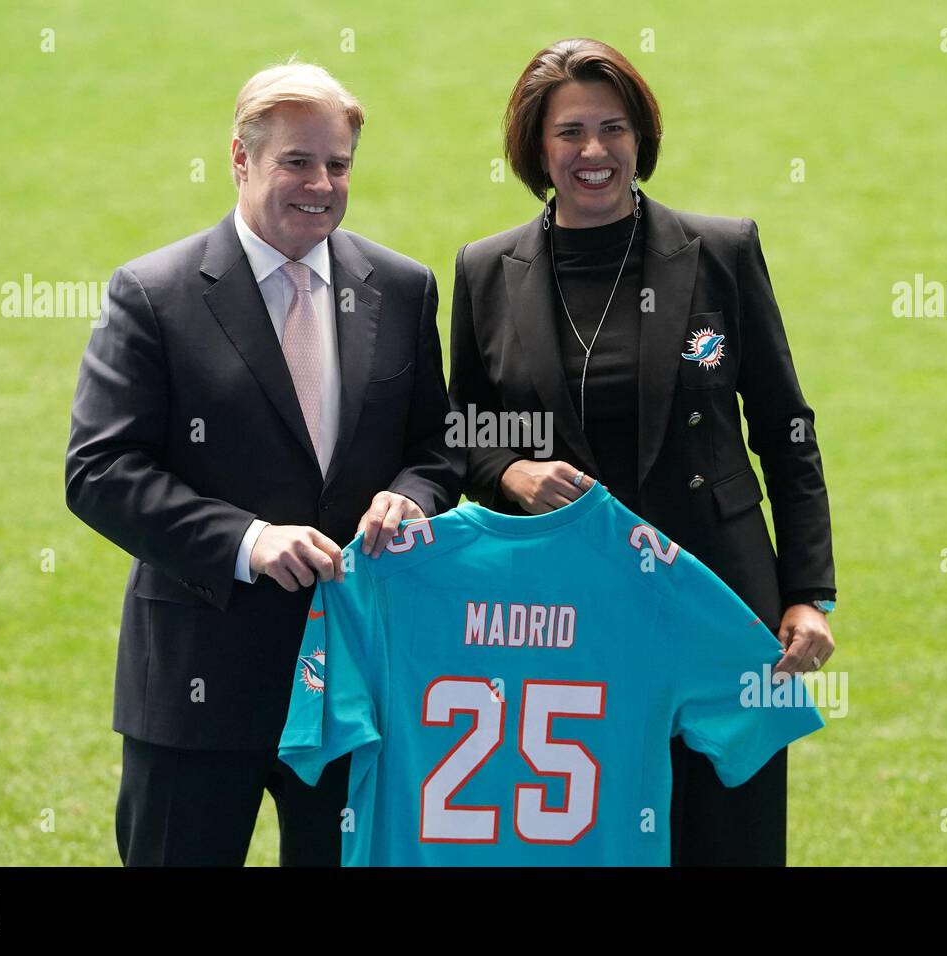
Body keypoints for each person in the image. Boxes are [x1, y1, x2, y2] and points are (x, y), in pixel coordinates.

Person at [447, 38, 837, 865]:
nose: (595, 153)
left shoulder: (721, 251)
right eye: (570, 133)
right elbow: (461, 430)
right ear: (535, 148)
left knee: (730, 838)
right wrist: (510, 468)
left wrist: (808, 596)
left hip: (722, 601)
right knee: (591, 838)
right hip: (563, 613)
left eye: (614, 129)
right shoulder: (485, 270)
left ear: (642, 138)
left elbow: (786, 430)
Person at [65, 60, 460, 866]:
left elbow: (436, 449)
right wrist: (247, 543)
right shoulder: (153, 293)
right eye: (297, 161)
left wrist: (411, 498)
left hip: (357, 682)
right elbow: (101, 470)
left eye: (338, 165)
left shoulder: (402, 287)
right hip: (197, 687)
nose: (321, 183)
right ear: (241, 160)